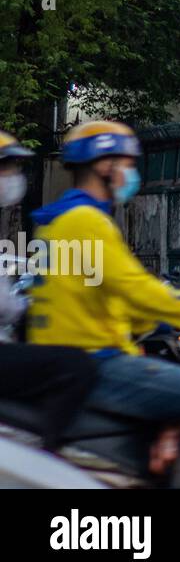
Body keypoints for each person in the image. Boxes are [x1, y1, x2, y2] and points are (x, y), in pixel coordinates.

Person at [26, 120, 180, 487]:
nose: (130, 173)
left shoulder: (57, 222)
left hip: (71, 362)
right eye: (127, 163)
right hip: (96, 364)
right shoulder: (87, 222)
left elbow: (111, 298)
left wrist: (161, 322)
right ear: (105, 166)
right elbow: (138, 290)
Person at [0, 131, 99, 449]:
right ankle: (48, 456)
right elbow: (8, 307)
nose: (13, 177)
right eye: (6, 167)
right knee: (75, 365)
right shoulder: (82, 221)